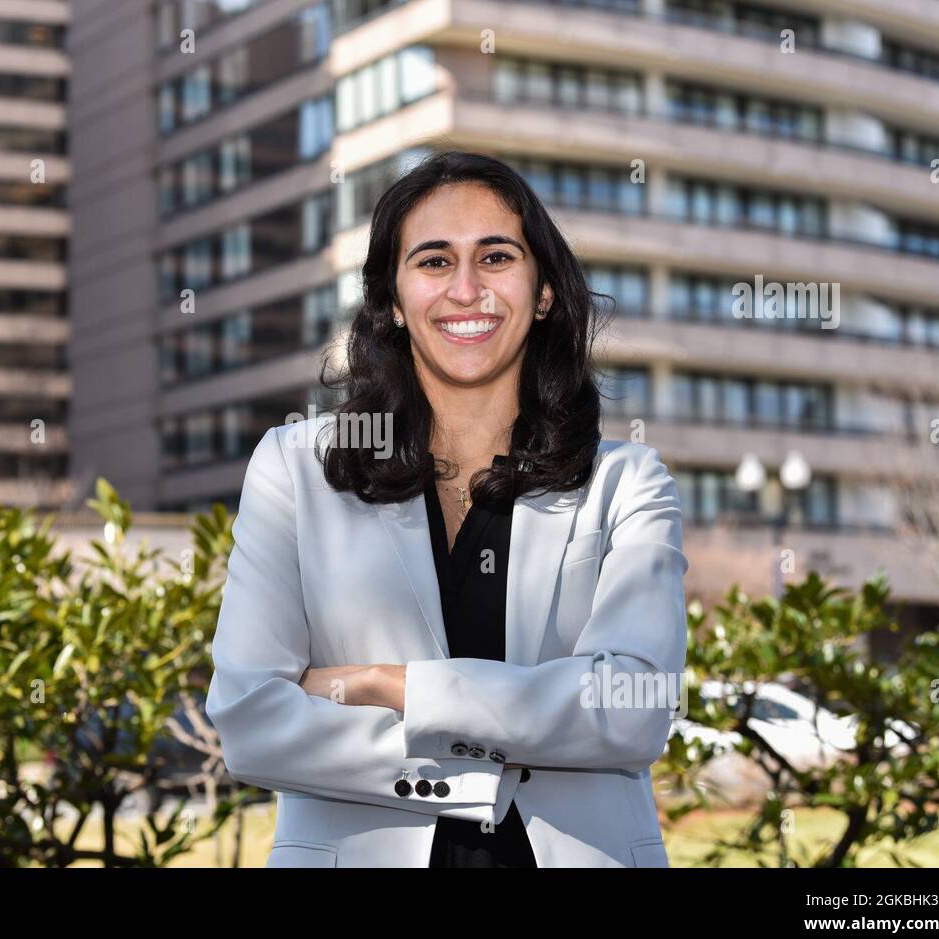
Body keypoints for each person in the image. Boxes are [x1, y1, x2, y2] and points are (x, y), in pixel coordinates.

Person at [206, 150, 688, 867]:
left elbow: (634, 707)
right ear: (394, 302)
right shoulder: (295, 470)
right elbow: (252, 721)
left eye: (495, 257)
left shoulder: (628, 483)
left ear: (544, 290)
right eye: (433, 262)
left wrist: (386, 686)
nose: (467, 289)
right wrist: (484, 768)